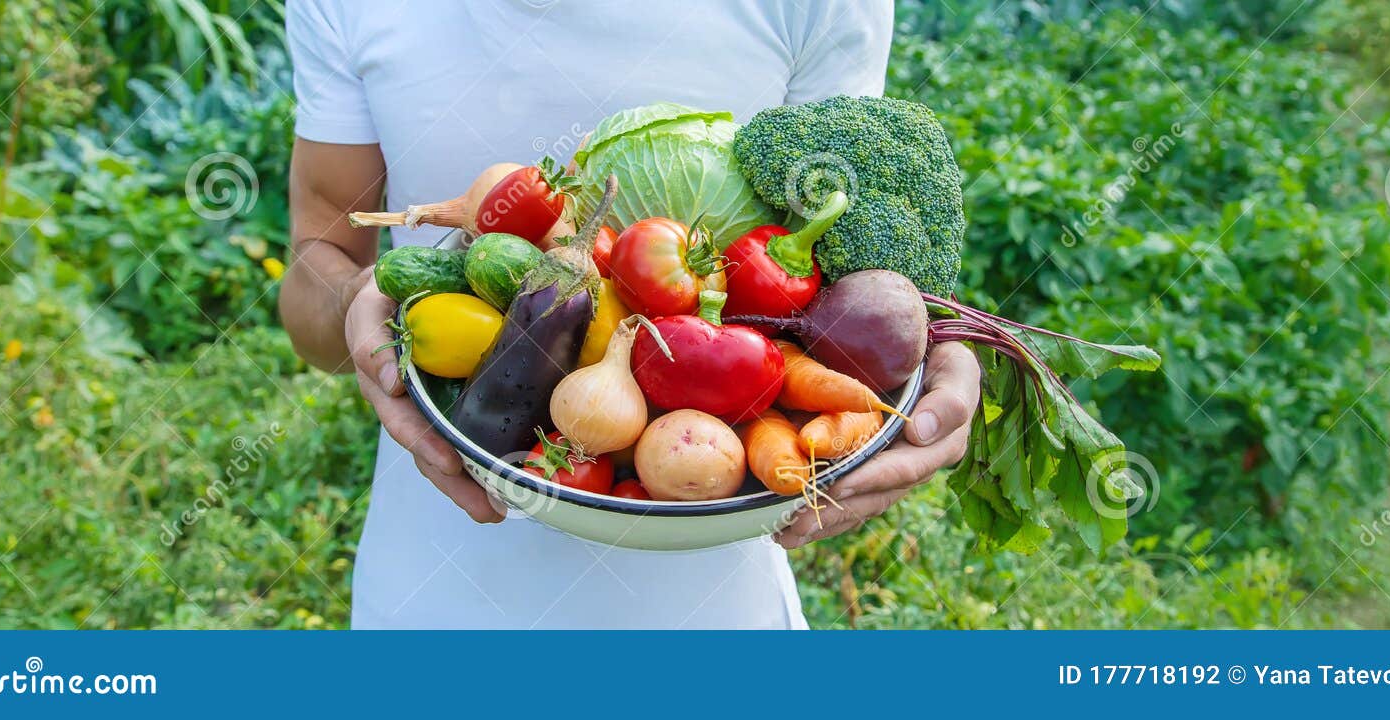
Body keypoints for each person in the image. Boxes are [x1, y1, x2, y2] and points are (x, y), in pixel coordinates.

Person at [280, 0, 980, 629]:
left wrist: (925, 344)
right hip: (431, 596)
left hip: (717, 614)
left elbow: (861, 260)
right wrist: (358, 302)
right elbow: (318, 259)